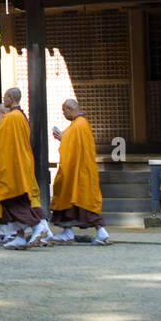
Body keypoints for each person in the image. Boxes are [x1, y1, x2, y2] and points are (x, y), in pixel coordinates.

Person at [0, 88, 52, 249]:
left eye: (5, 98)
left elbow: (1, 142)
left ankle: (37, 225)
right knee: (18, 201)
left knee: (16, 202)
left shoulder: (10, 118)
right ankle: (20, 236)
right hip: (20, 164)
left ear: (11, 98)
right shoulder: (21, 117)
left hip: (12, 168)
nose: (4, 100)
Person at [49, 99, 110, 245]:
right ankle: (67, 232)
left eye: (64, 111)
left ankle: (102, 232)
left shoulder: (80, 124)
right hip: (75, 171)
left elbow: (76, 147)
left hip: (80, 172)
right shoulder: (77, 124)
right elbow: (73, 144)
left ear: (70, 109)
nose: (64, 114)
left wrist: (63, 138)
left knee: (84, 204)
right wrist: (63, 139)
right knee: (69, 201)